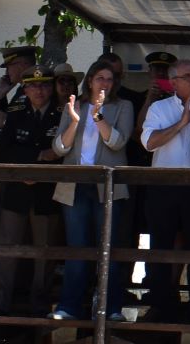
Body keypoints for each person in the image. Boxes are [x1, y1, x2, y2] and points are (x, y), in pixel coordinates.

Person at [51, 62, 134, 321]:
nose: (105, 84)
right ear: (90, 81)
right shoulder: (75, 106)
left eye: (110, 79)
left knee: (108, 249)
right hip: (75, 185)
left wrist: (98, 116)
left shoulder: (123, 106)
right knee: (77, 249)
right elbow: (58, 148)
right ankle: (70, 307)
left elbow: (117, 141)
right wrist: (76, 121)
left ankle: (110, 308)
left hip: (106, 187)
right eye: (100, 78)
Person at [138, 61, 190, 320]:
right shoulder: (159, 108)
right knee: (160, 245)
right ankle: (161, 302)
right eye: (186, 76)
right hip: (165, 186)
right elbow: (149, 143)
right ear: (173, 83)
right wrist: (181, 123)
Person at [0, 66, 64, 314]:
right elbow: (3, 153)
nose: (39, 90)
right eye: (33, 86)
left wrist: (42, 164)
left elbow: (63, 155)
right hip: (17, 193)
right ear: (25, 89)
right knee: (7, 250)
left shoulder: (61, 113)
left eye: (44, 85)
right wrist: (38, 156)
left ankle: (39, 304)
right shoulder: (17, 113)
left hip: (47, 194)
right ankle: (0, 304)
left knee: (44, 253)